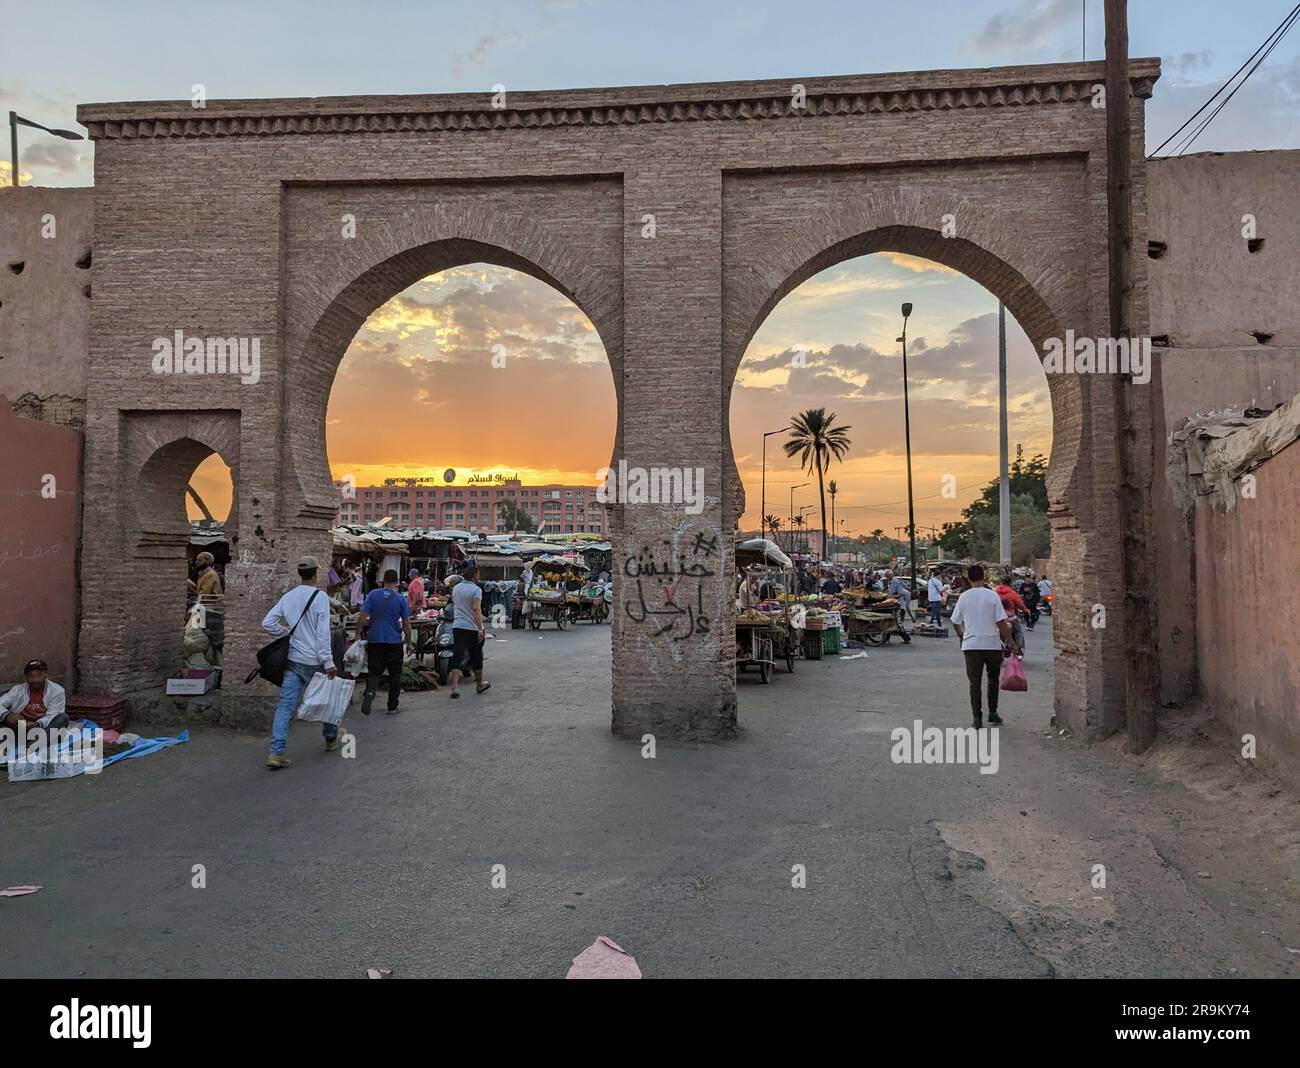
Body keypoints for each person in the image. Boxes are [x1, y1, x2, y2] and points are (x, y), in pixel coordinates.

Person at [260, 556, 339, 770]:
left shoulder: (289, 597)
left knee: (285, 706)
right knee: (327, 699)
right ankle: (331, 738)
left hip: (293, 660)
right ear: (315, 573)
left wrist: (285, 632)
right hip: (315, 661)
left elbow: (267, 622)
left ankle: (276, 752)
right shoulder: (320, 597)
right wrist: (329, 661)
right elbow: (323, 632)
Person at [950, 565, 1012, 728]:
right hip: (992, 644)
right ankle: (993, 713)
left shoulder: (964, 597)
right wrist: (1010, 641)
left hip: (971, 646)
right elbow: (1001, 622)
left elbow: (955, 621)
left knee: (974, 683)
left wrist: (961, 635)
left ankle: (977, 718)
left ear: (968, 578)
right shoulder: (992, 596)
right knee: (993, 680)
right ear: (983, 577)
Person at [356, 568, 412, 716]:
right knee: (395, 675)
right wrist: (409, 642)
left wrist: (357, 633)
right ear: (397, 582)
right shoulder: (400, 598)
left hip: (375, 639)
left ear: (383, 581)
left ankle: (369, 692)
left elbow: (362, 616)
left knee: (374, 672)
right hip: (394, 641)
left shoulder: (373, 595)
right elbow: (406, 622)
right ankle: (392, 706)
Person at [448, 564, 490, 699]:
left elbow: (457, 605)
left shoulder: (456, 589)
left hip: (458, 626)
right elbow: (476, 609)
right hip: (471, 627)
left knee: (457, 656)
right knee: (476, 657)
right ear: (475, 576)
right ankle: (479, 685)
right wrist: (480, 628)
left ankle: (455, 687)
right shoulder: (476, 590)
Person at [0, 659, 69, 731]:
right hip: (21, 728)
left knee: (62, 718)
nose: (35, 679)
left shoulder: (57, 691)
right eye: (31, 675)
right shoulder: (18, 690)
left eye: (39, 675)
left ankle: (37, 740)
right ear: (26, 676)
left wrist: (37, 724)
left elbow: (53, 715)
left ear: (45, 674)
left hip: (43, 728)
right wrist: (7, 716)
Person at [994, 573, 1028, 656]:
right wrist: (1025, 610)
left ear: (1001, 582)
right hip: (1010, 617)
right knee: (1018, 632)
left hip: (997, 618)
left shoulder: (994, 592)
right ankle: (1019, 648)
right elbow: (1020, 604)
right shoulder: (1012, 593)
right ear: (1010, 583)